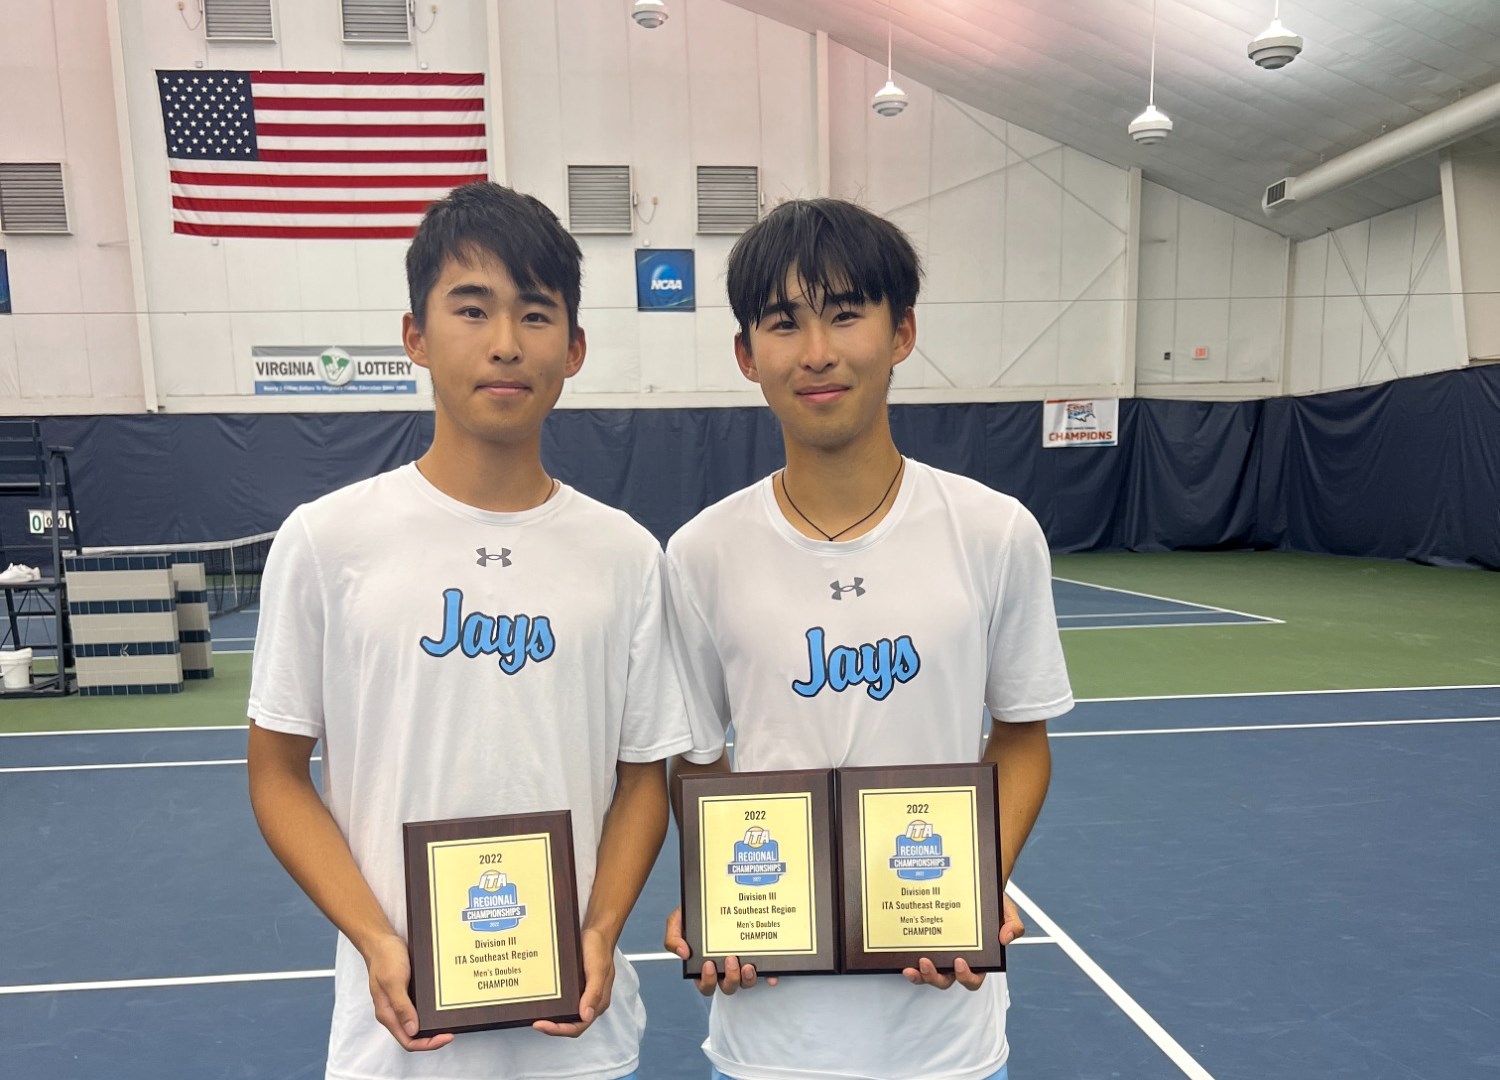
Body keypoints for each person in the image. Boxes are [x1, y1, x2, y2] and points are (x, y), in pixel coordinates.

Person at [246, 182, 691, 1080]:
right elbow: (278, 776)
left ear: (572, 349)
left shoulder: (626, 554)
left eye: (534, 315)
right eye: (471, 308)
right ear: (415, 335)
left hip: (576, 1038)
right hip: (396, 1043)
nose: (503, 343)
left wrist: (601, 929)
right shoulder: (326, 541)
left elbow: (647, 776)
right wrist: (375, 939)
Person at [663, 197, 1074, 1080]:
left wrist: (975, 878)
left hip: (944, 1035)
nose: (817, 351)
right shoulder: (700, 554)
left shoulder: (995, 532)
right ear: (746, 354)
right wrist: (714, 896)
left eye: (847, 313)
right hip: (770, 1034)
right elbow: (698, 766)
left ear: (901, 332)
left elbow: (1023, 738)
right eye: (784, 323)